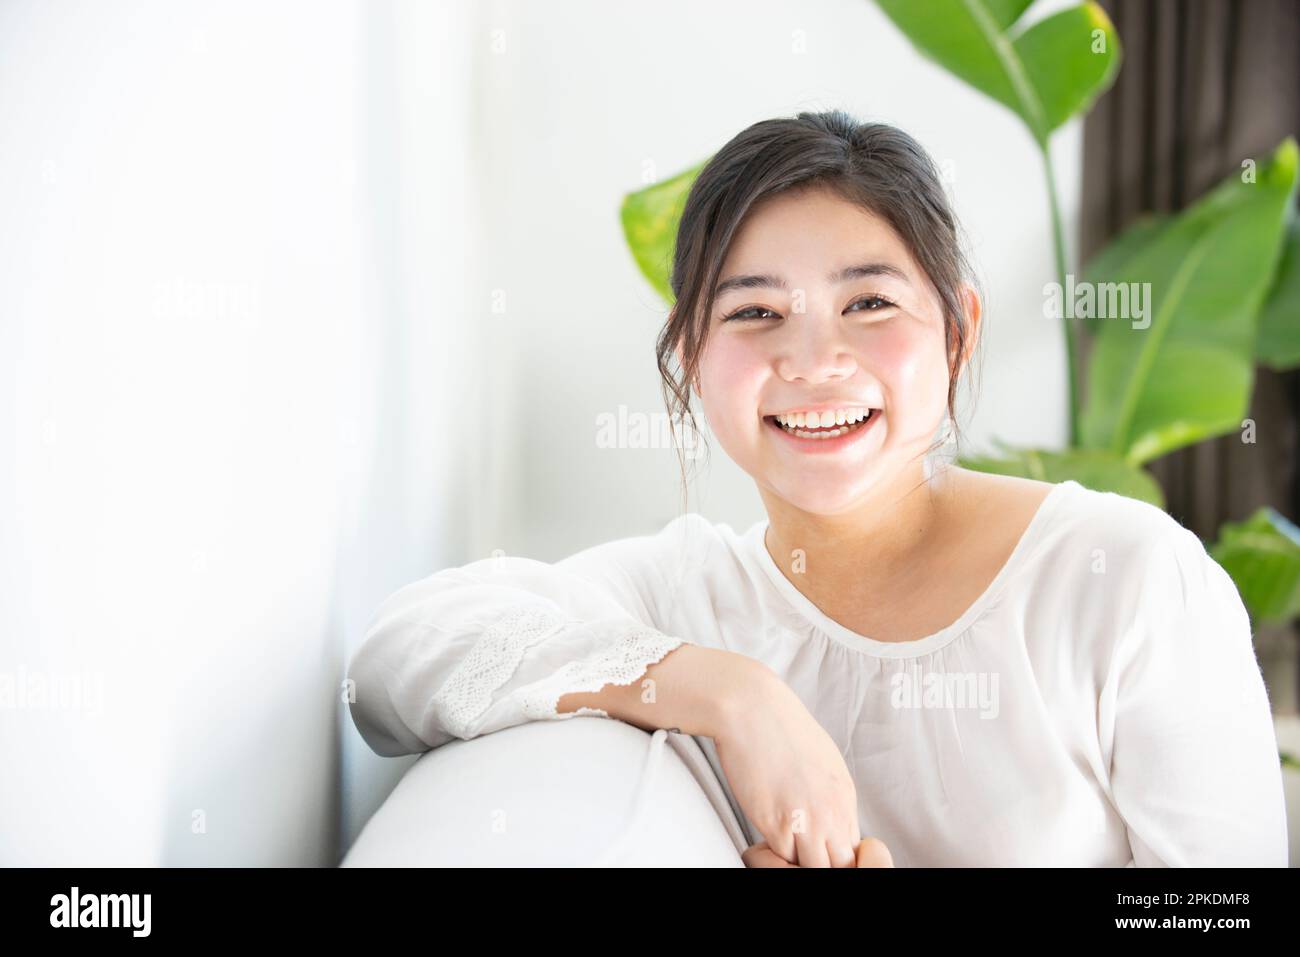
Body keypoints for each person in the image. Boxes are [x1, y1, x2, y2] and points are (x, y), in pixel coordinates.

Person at [346, 110, 1288, 868]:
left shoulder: (1122, 577)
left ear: (957, 330)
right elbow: (394, 666)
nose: (814, 361)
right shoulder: (684, 596)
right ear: (690, 355)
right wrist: (731, 692)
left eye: (869, 302)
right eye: (755, 312)